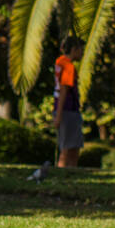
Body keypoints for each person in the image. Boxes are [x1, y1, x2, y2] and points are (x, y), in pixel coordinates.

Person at [28, 36, 85, 180]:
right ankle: (63, 176)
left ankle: (71, 176)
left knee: (72, 146)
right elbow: (64, 90)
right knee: (68, 149)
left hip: (64, 109)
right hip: (68, 110)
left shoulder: (60, 62)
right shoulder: (68, 67)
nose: (82, 52)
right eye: (80, 49)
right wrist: (59, 115)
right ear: (74, 50)